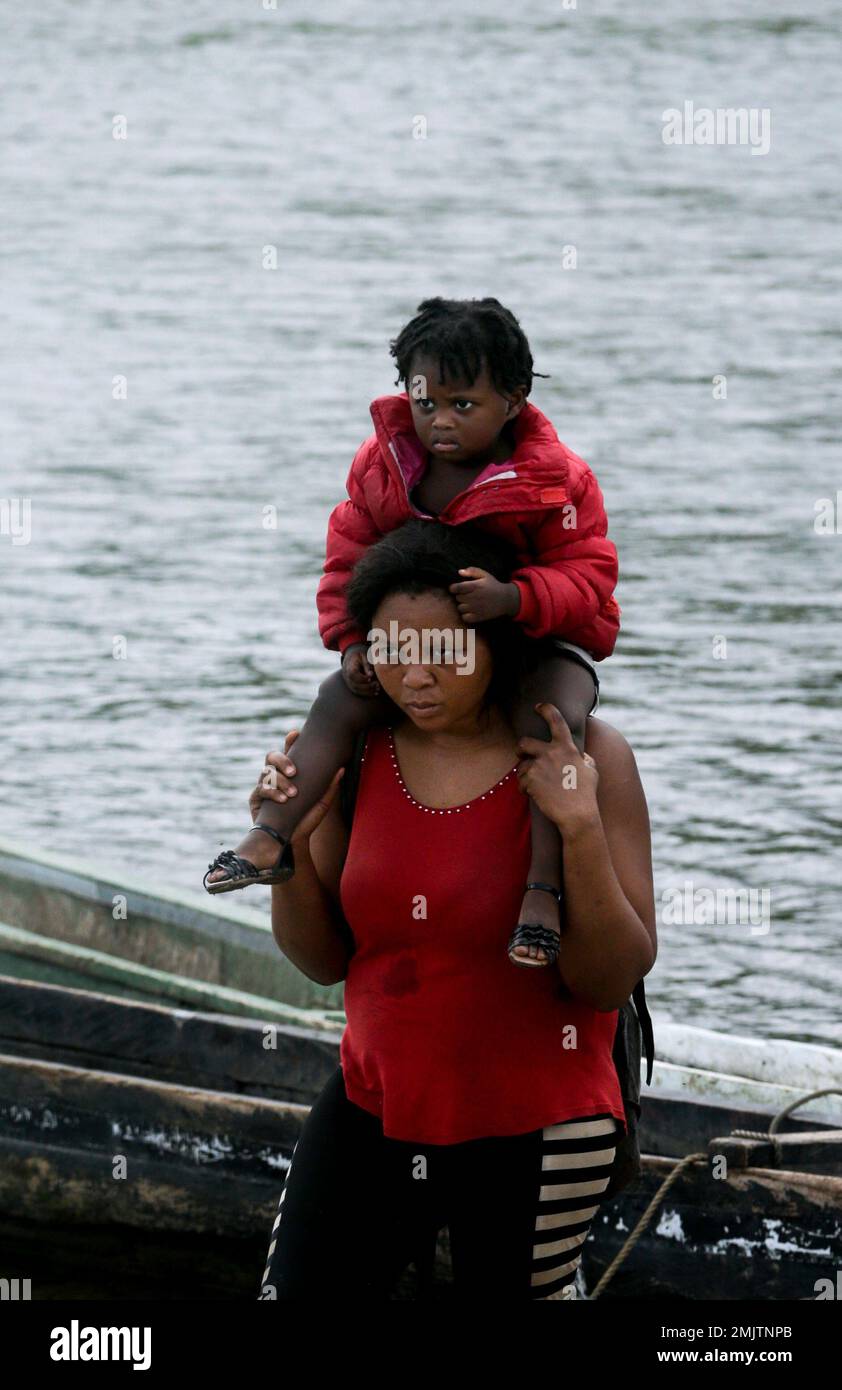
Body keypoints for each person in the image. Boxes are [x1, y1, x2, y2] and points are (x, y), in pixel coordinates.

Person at [252, 521, 656, 1301]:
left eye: (444, 650)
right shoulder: (354, 751)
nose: (416, 675)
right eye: (391, 650)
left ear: (498, 636)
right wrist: (291, 853)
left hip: (540, 1125)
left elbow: (607, 982)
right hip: (376, 1102)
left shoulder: (589, 756)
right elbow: (322, 962)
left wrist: (577, 829)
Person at [205, 295, 621, 967]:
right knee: (336, 699)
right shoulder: (386, 464)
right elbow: (347, 553)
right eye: (426, 403)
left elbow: (590, 572)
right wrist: (352, 643)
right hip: (423, 645)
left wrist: (516, 597)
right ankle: (271, 834)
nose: (440, 422)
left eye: (464, 405)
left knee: (551, 729)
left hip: (536, 637)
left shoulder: (554, 479)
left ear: (514, 399)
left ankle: (542, 892)